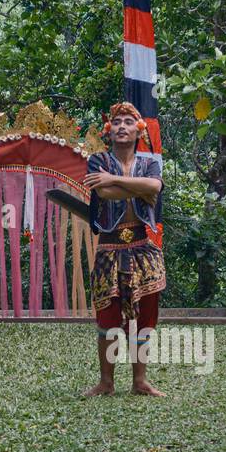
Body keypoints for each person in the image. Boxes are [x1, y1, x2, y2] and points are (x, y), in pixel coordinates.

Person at [81, 102, 166, 397]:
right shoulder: (97, 161)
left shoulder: (150, 162)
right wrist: (138, 187)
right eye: (116, 122)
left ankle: (139, 381)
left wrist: (116, 180)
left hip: (143, 246)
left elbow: (154, 187)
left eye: (129, 122)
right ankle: (106, 382)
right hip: (110, 245)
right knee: (108, 316)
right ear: (109, 130)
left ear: (138, 130)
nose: (121, 126)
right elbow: (103, 192)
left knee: (145, 316)